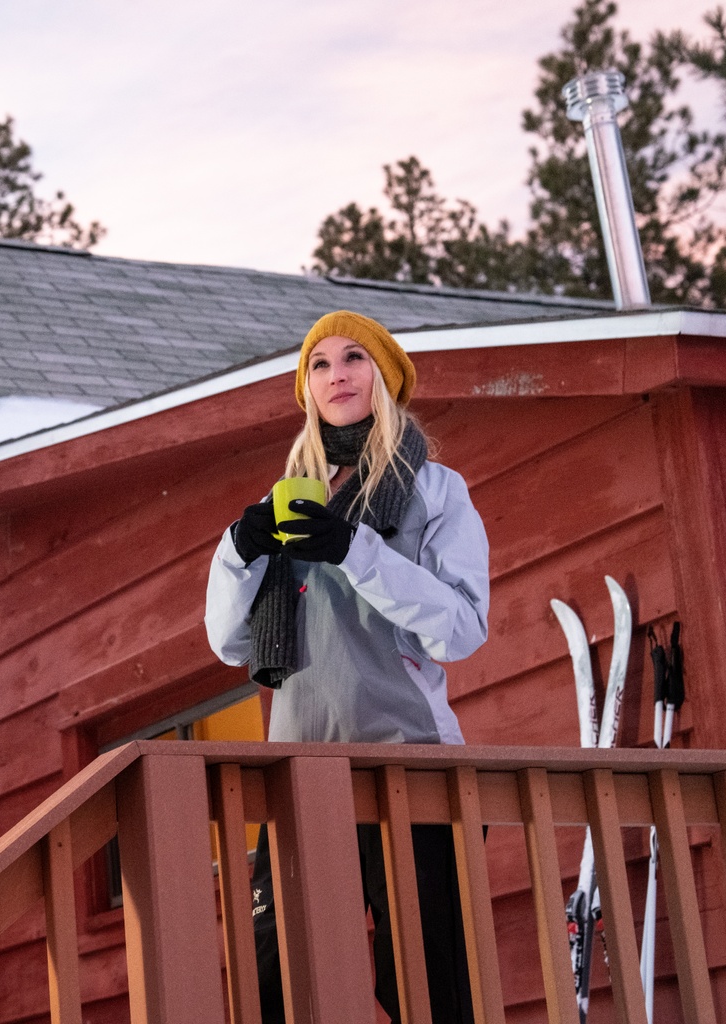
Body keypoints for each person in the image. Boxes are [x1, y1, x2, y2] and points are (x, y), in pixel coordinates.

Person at [204, 310, 490, 1024]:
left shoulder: (435, 490)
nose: (337, 375)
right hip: (299, 775)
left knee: (426, 989)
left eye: (354, 358)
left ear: (384, 376)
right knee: (280, 988)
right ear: (307, 388)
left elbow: (460, 629)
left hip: (411, 766)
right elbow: (229, 643)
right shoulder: (285, 500)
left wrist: (352, 549)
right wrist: (239, 550)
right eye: (320, 364)